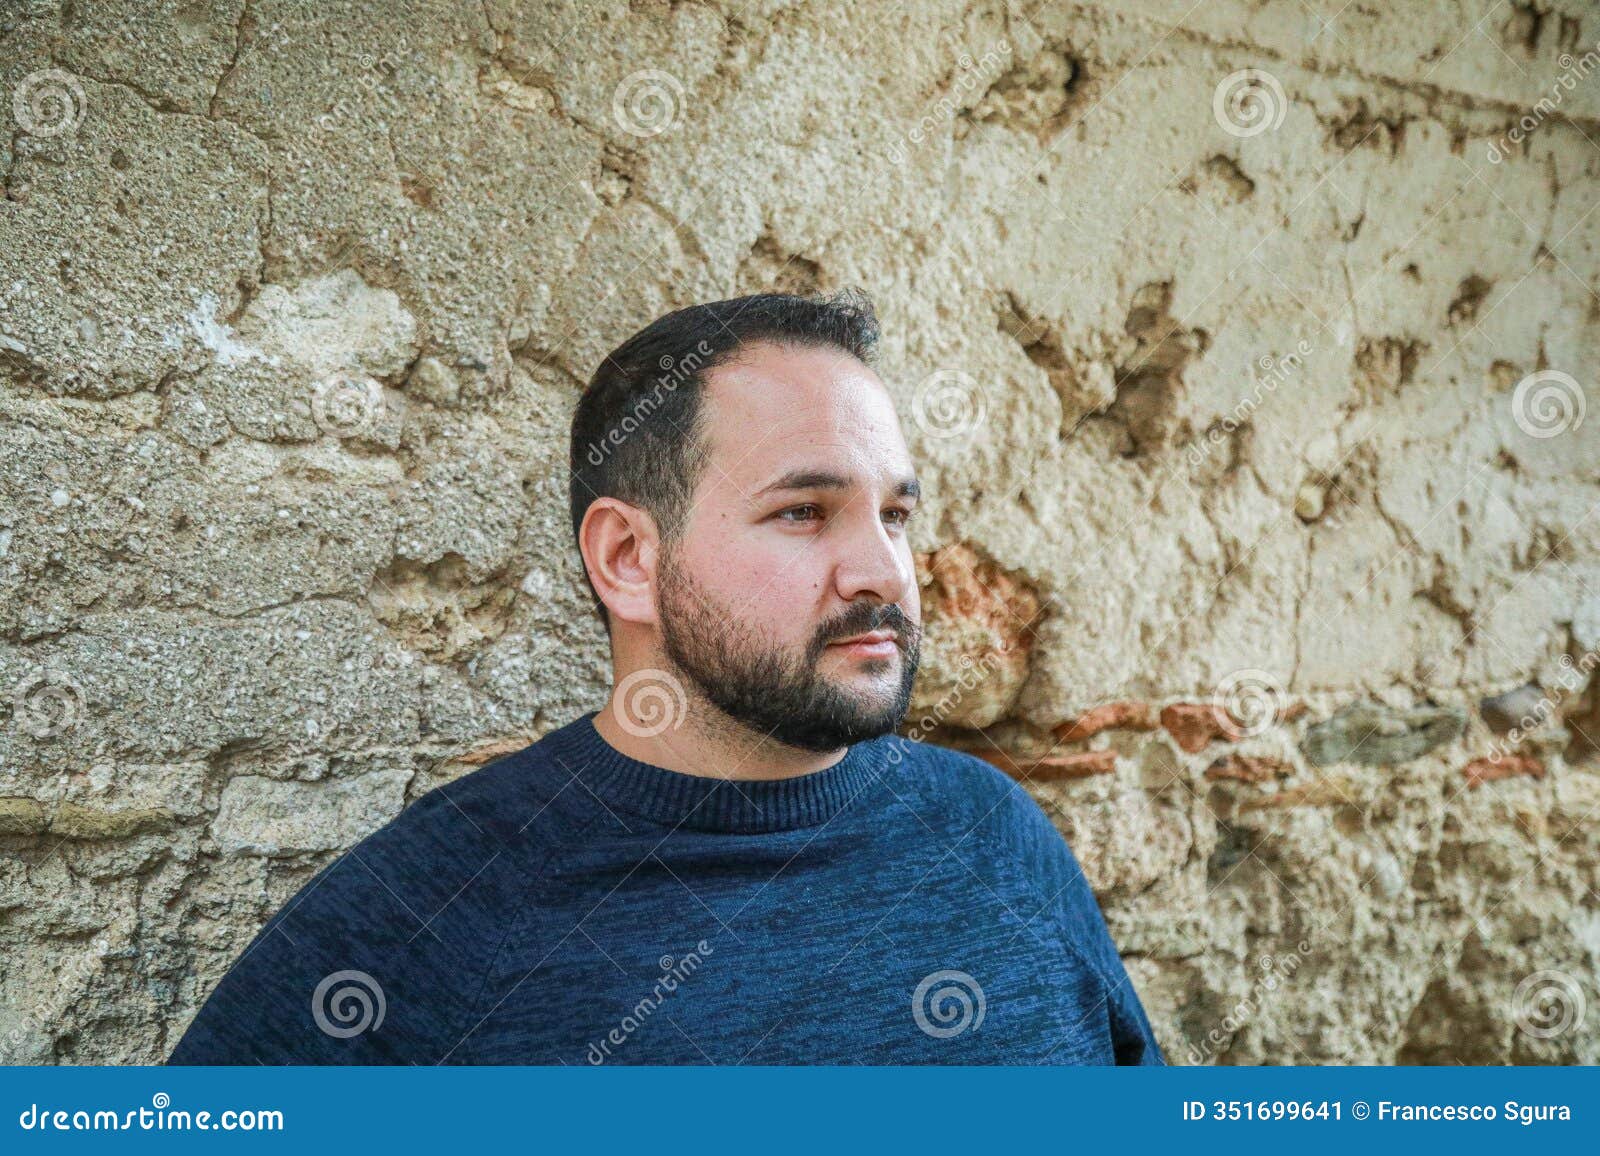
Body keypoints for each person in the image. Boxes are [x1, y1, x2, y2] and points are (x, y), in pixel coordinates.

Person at [167, 290, 1163, 1065]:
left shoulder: (993, 834)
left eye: (894, 515)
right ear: (629, 559)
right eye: (804, 512)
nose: (885, 573)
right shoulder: (429, 915)